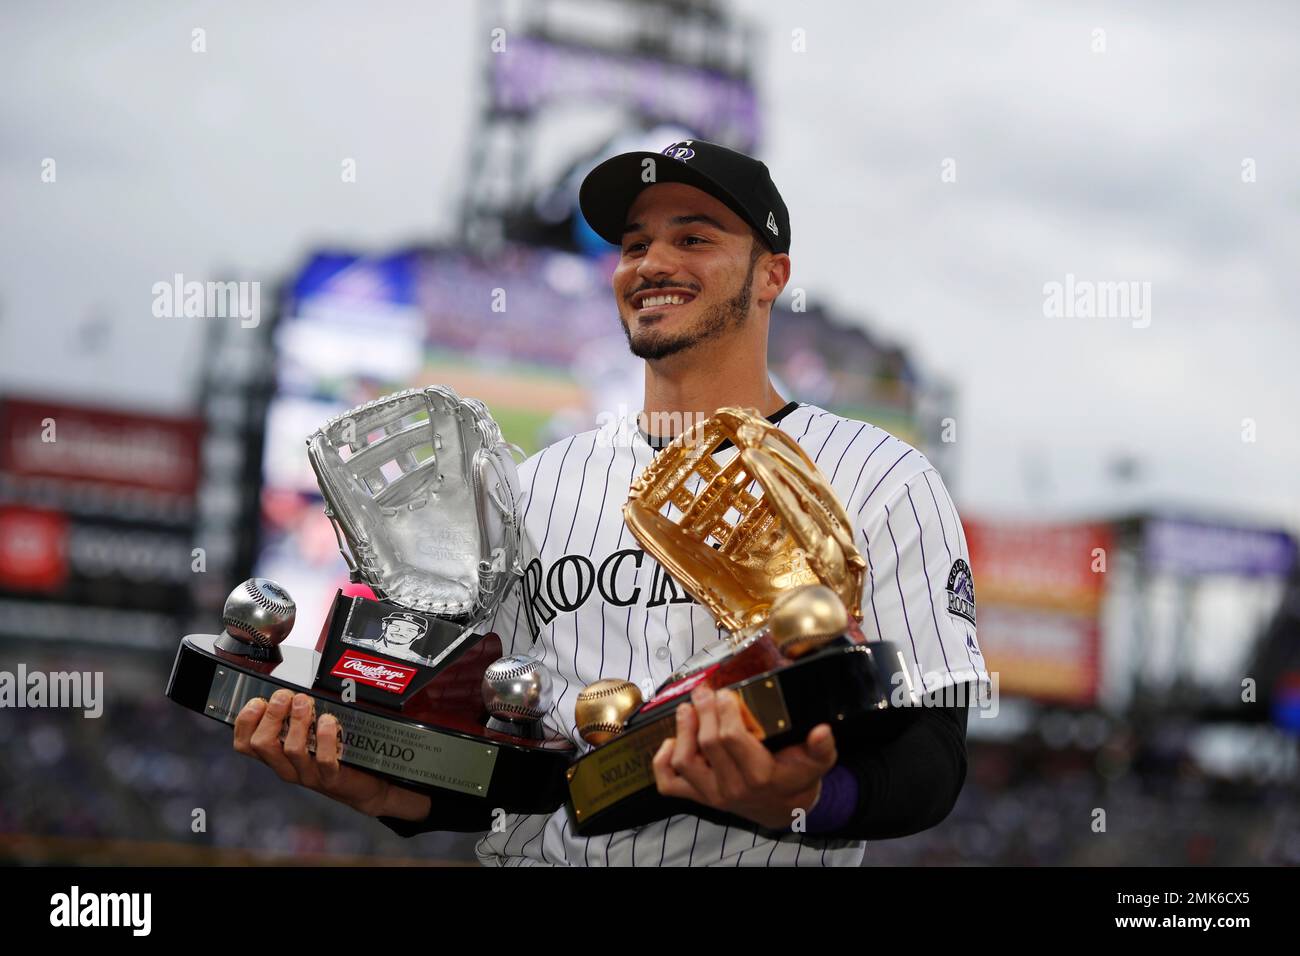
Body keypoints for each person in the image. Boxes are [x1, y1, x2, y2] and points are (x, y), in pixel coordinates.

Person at [233, 139, 991, 866]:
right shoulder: (536, 488)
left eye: (693, 239)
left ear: (771, 275)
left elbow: (931, 754)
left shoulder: (883, 477)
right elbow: (517, 767)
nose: (652, 263)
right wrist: (389, 792)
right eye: (634, 246)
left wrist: (801, 800)